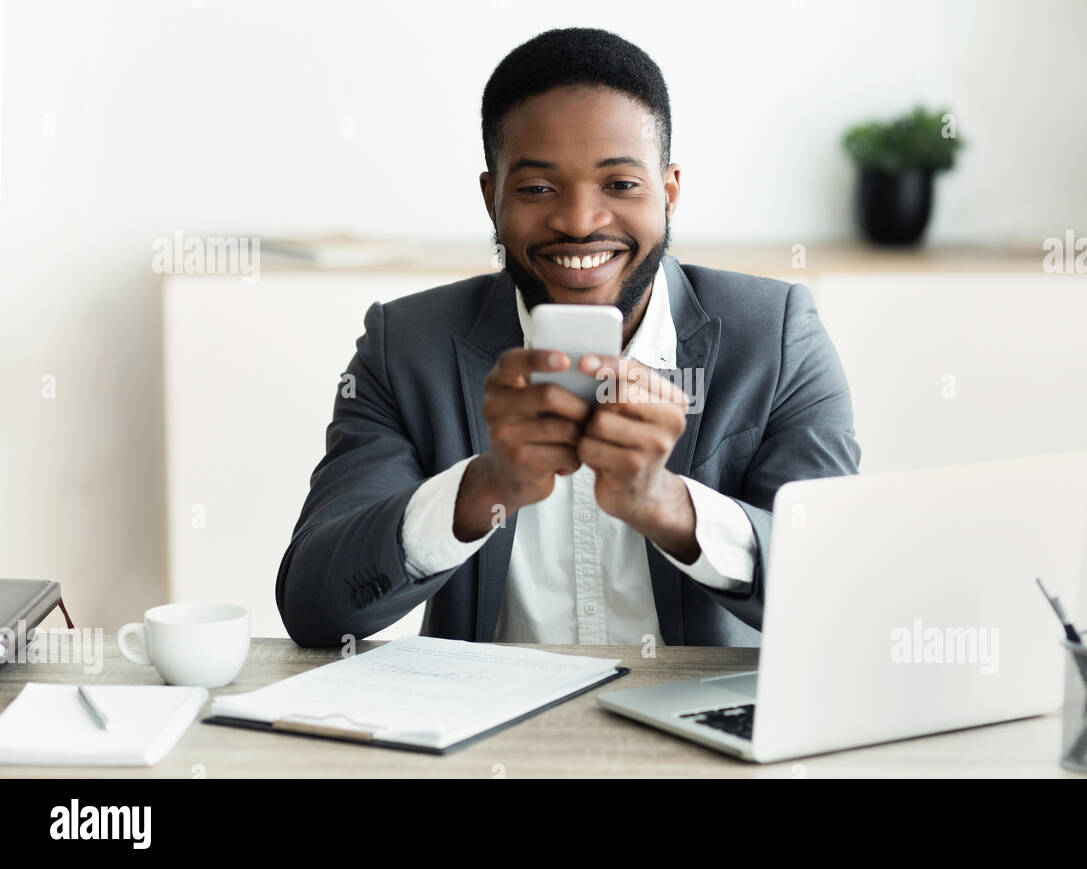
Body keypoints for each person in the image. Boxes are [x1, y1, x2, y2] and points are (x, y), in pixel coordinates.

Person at [276, 27, 860, 648]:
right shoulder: (403, 348)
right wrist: (479, 492)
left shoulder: (777, 335)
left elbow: (838, 593)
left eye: (620, 184)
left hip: (699, 738)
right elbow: (315, 605)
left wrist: (671, 508)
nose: (580, 223)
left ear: (668, 192)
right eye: (536, 189)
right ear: (491, 198)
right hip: (491, 734)